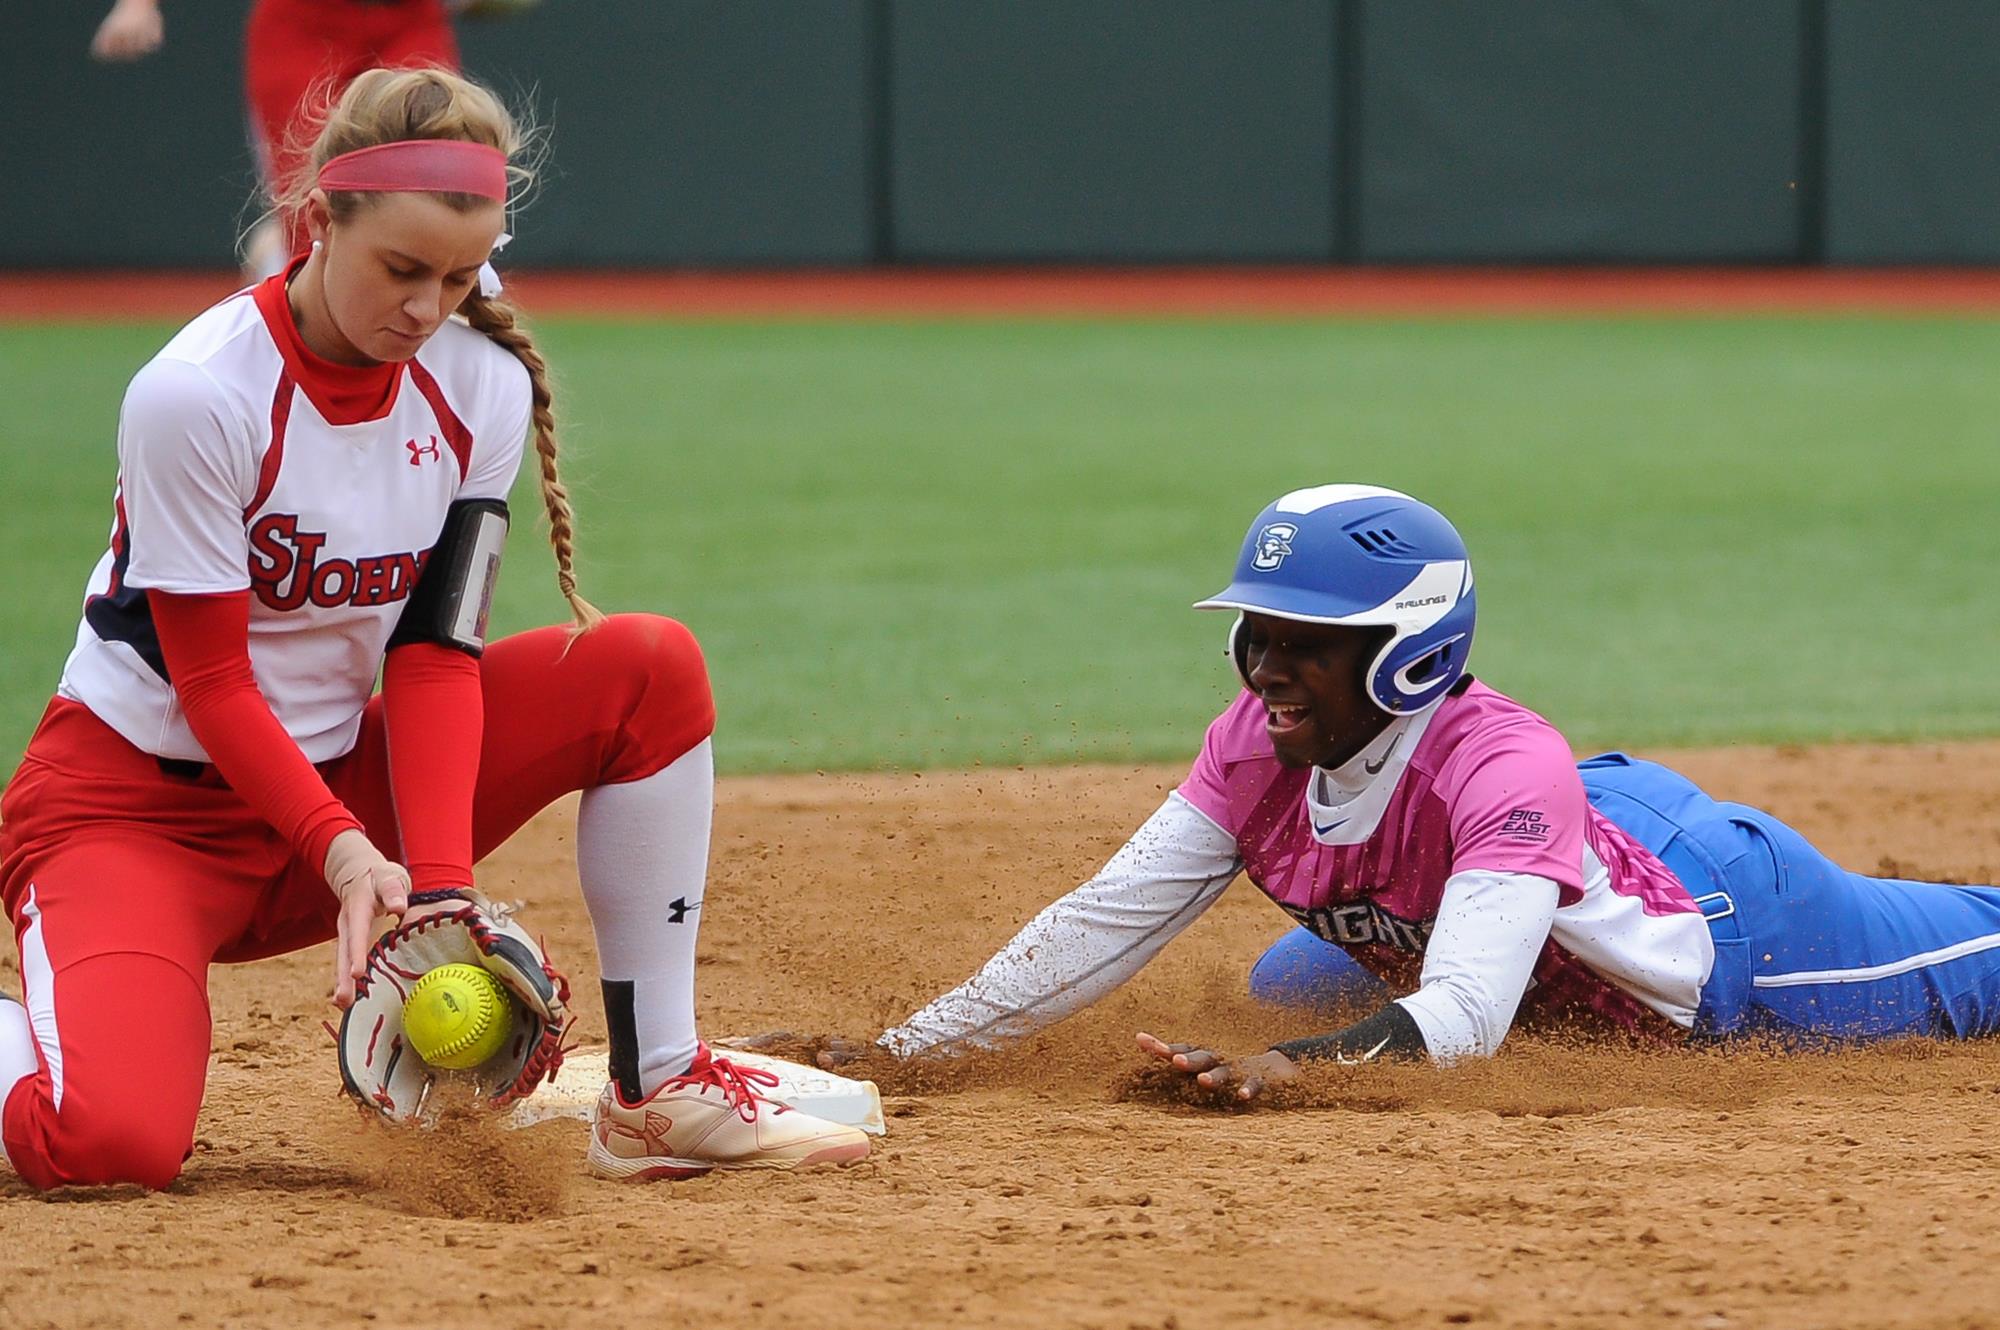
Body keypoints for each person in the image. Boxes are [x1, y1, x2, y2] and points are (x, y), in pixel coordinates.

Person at [0, 66, 868, 1190]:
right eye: (401, 269)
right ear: (317, 223)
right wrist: (347, 848)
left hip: (340, 791)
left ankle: (656, 1086)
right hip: (136, 811)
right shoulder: (199, 393)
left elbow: (432, 653)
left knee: (642, 667)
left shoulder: (476, 382)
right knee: (110, 1148)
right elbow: (211, 682)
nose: (427, 307)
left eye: (459, 278)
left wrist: (443, 892)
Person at [837, 483, 2000, 1102]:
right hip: (1561, 834)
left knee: (1973, 958)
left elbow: (1464, 1024)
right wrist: (905, 1049)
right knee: (1284, 976)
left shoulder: (1495, 764)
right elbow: (1107, 917)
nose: (1267, 669)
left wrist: (1294, 1071)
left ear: (1410, 653)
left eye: (1311, 642)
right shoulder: (1254, 744)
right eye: (1258, 633)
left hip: (1738, 932)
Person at [91, 0, 464, 277]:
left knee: (430, 181)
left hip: (410, 18)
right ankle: (284, 278)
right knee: (312, 198)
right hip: (302, 23)